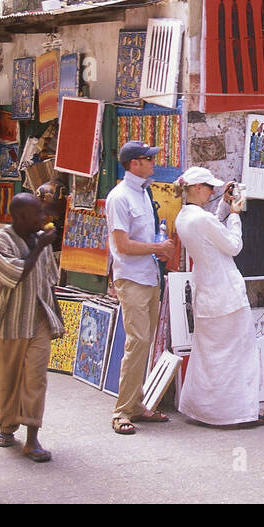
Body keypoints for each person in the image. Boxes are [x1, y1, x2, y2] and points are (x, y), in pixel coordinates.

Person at [175, 166, 264, 428]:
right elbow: (233, 245)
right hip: (225, 293)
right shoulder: (200, 219)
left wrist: (224, 208)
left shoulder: (184, 217)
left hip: (207, 294)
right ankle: (236, 412)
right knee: (238, 355)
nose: (212, 192)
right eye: (208, 187)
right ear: (197, 188)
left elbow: (209, 230)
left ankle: (204, 408)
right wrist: (236, 215)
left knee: (209, 356)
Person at [105, 140, 178, 435]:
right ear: (135, 163)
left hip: (147, 274)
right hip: (132, 277)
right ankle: (122, 411)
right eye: (148, 159)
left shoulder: (143, 193)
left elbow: (142, 237)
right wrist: (157, 246)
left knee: (144, 342)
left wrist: (158, 249)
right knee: (137, 342)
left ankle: (135, 404)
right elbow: (122, 245)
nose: (153, 163)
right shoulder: (119, 197)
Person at [0, 192, 64, 462]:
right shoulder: (1, 240)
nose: (45, 218)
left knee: (36, 380)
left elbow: (49, 281)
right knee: (8, 383)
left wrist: (57, 317)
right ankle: (7, 428)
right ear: (20, 217)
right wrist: (40, 247)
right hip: (11, 323)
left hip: (39, 321)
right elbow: (16, 274)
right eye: (38, 214)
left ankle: (32, 440)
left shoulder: (39, 240)